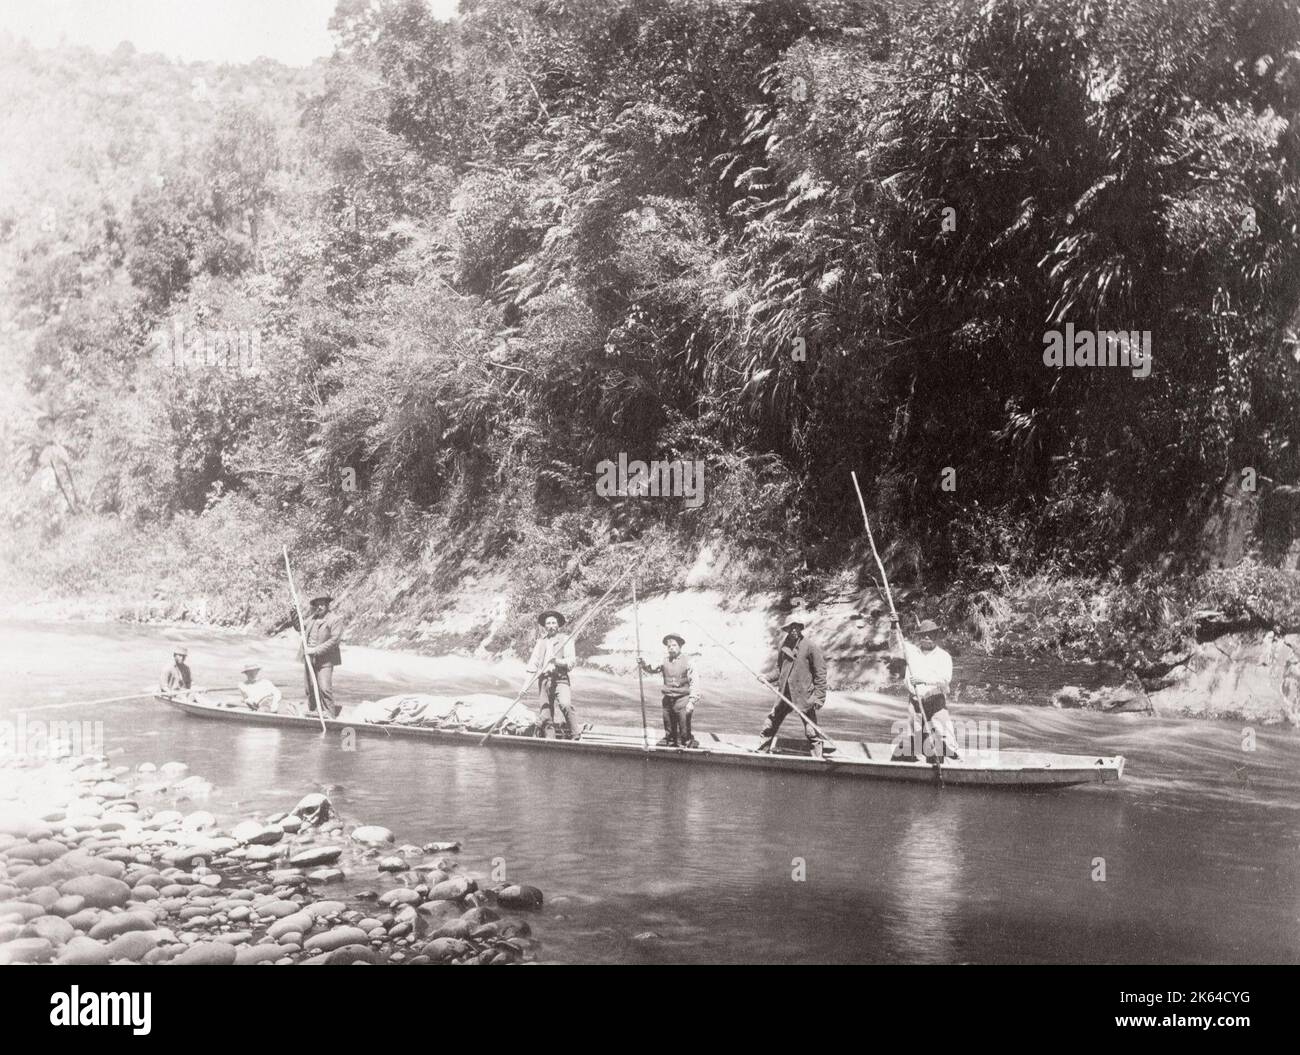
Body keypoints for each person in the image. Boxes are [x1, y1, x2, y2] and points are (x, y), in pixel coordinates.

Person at [756, 615, 830, 758]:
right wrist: (766, 677)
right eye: (791, 627)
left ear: (800, 628)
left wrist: (819, 698)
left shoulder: (810, 646)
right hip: (785, 694)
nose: (794, 630)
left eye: (797, 627)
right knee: (769, 724)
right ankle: (760, 754)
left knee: (811, 731)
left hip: (804, 695)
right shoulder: (784, 646)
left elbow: (820, 673)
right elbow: (779, 669)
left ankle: (817, 759)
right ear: (787, 629)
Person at [891, 618, 959, 761]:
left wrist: (925, 681)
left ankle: (955, 763)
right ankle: (917, 765)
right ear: (919, 637)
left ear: (936, 636)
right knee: (914, 741)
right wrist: (893, 627)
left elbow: (945, 681)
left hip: (935, 704)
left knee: (945, 740)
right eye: (923, 635)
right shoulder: (911, 652)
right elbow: (894, 645)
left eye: (931, 634)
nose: (927, 637)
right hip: (915, 704)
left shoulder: (944, 657)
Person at [639, 633, 700, 748]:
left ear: (680, 646)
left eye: (674, 645)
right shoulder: (664, 661)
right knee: (669, 730)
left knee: (684, 731)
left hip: (683, 700)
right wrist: (642, 664)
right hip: (667, 700)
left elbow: (695, 683)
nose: (671, 648)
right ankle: (670, 750)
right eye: (669, 646)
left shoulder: (689, 662)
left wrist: (692, 702)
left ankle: (687, 749)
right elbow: (652, 669)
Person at [526, 609, 579, 739]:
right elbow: (533, 665)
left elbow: (571, 662)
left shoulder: (566, 640)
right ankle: (550, 739)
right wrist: (525, 687)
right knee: (546, 713)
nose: (551, 626)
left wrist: (557, 661)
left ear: (558, 625)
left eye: (553, 623)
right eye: (548, 623)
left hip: (560, 679)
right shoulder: (540, 642)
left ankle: (576, 735)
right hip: (544, 680)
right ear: (544, 626)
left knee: (565, 704)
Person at [298, 594, 343, 718]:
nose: (319, 607)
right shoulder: (312, 618)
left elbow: (335, 640)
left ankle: (329, 714)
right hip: (310, 659)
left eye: (322, 604)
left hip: (325, 660)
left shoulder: (335, 619)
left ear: (327, 605)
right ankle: (313, 711)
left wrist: (315, 650)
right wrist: (294, 613)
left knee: (324, 688)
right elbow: (299, 627)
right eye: (317, 604)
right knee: (310, 688)